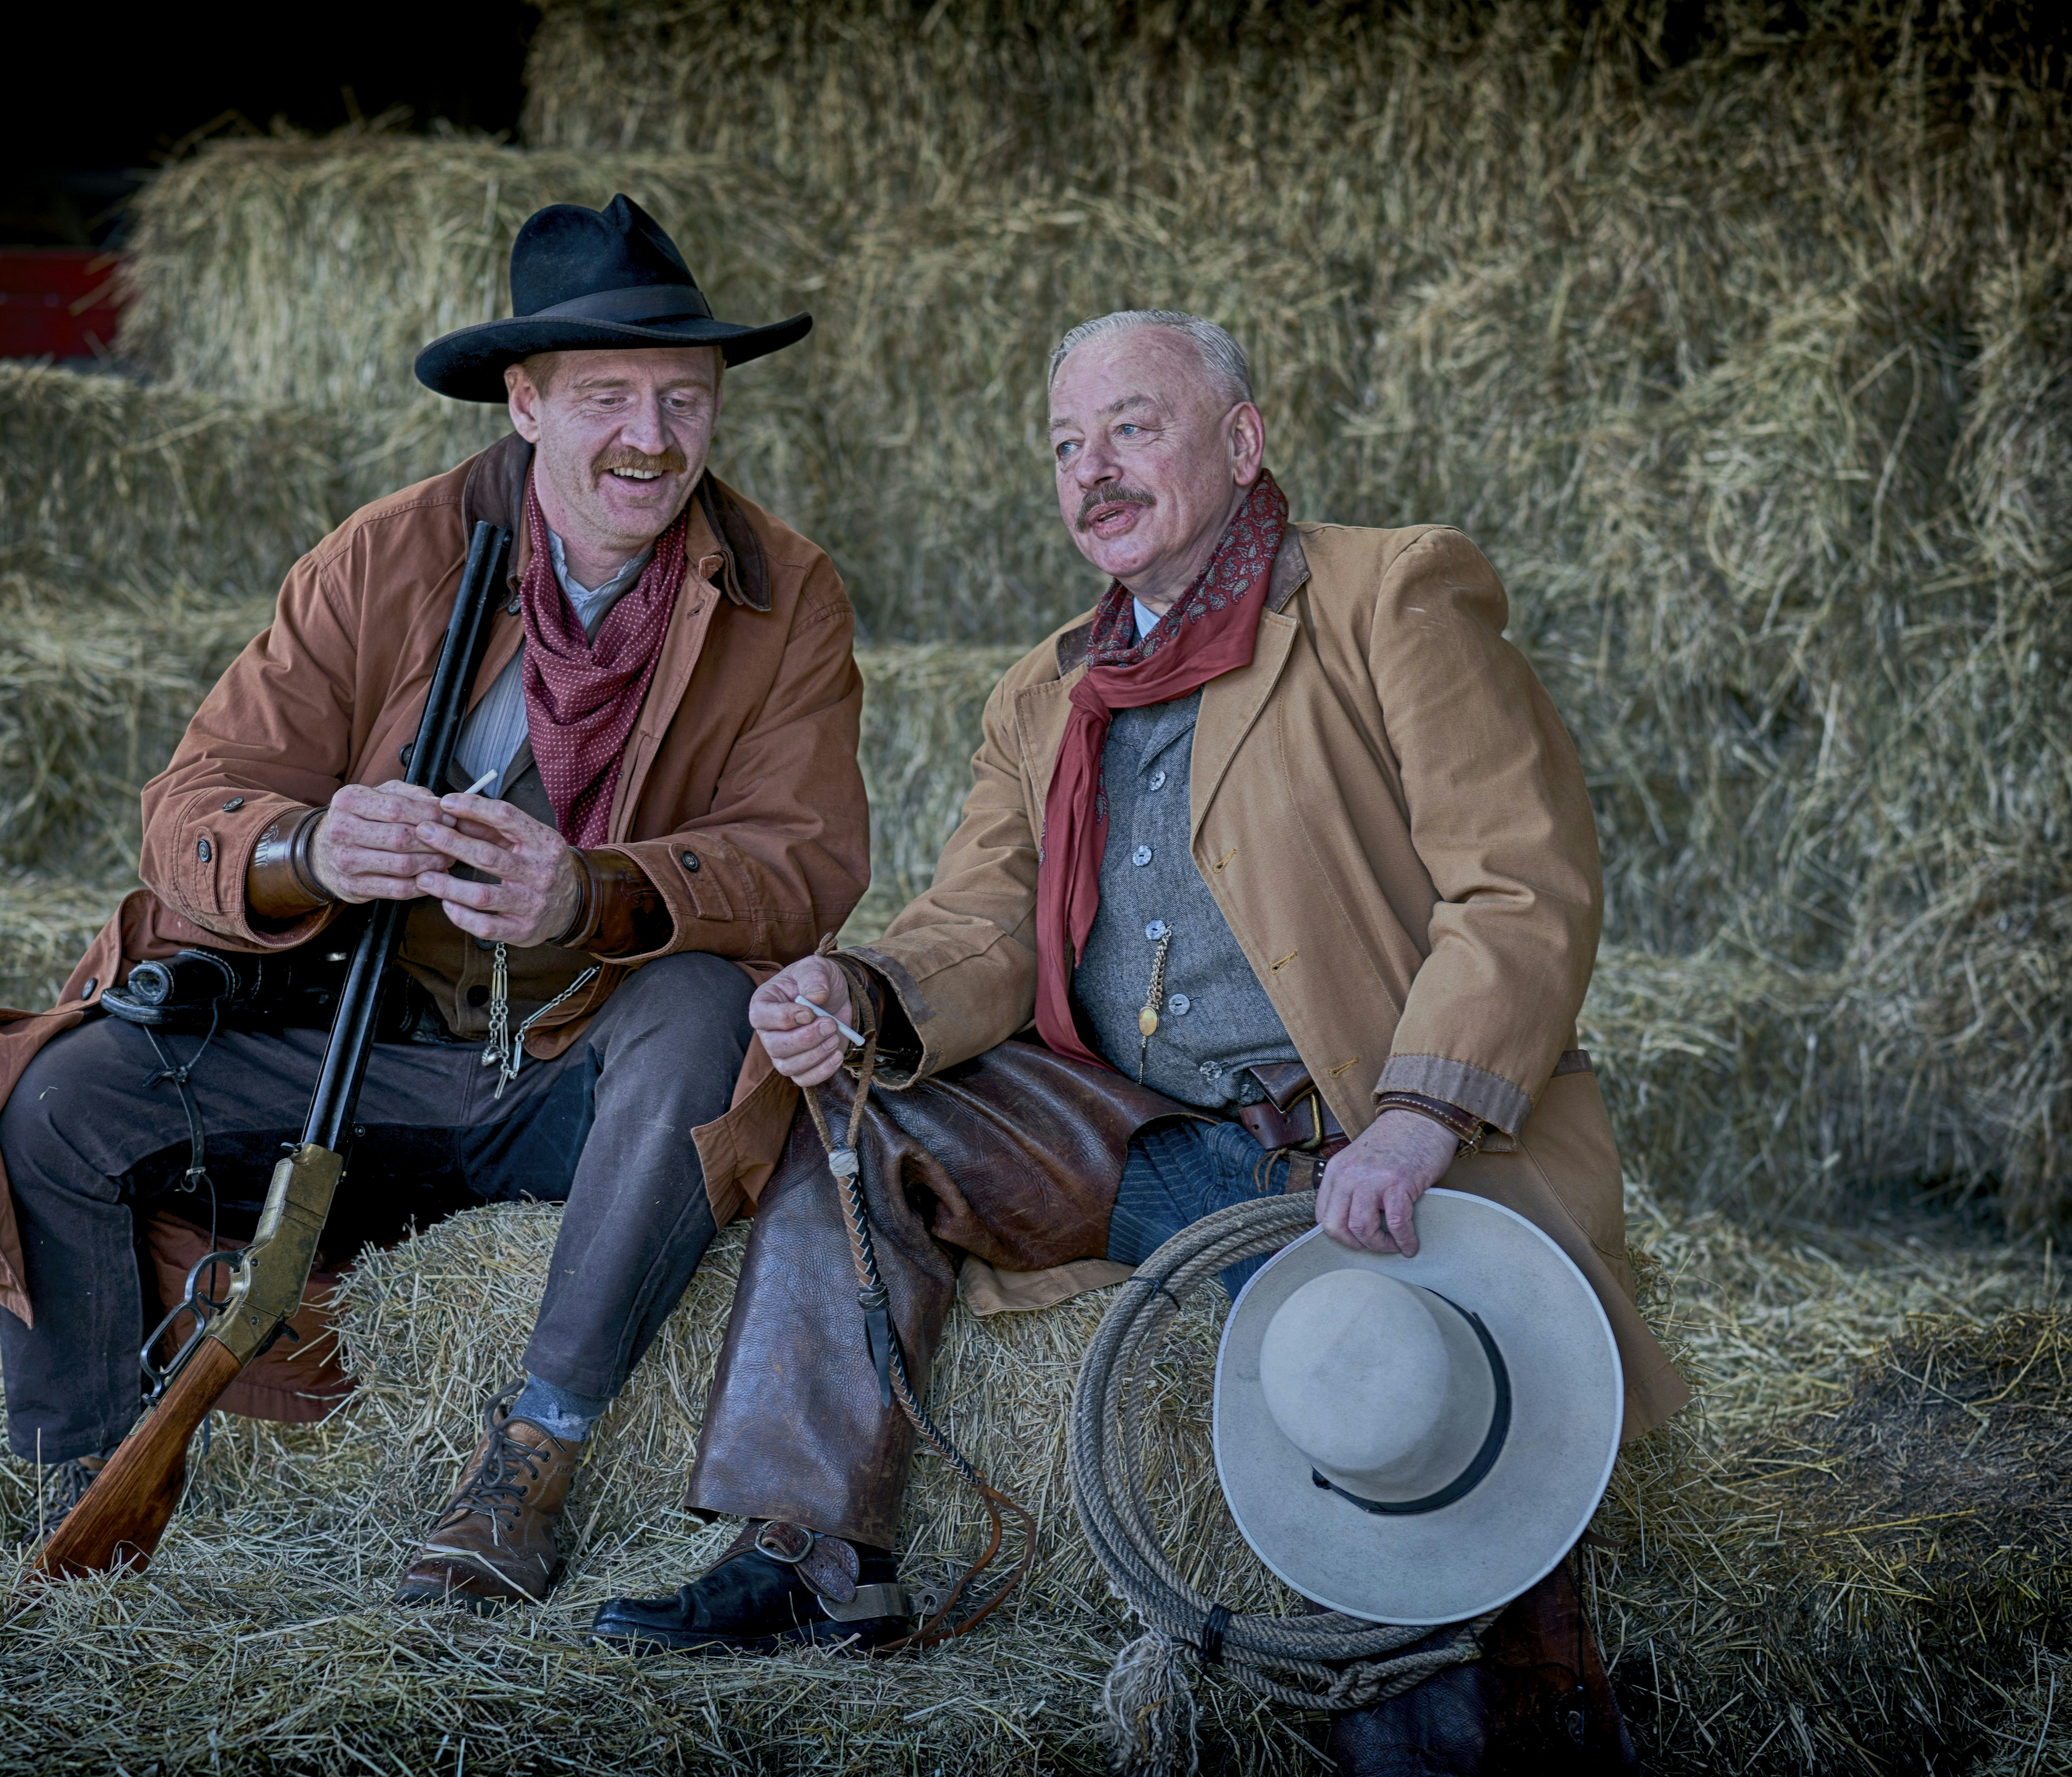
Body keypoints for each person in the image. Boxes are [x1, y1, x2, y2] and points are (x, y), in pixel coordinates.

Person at [589, 311, 1690, 1684]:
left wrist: (1420, 1115)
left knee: (1440, 1503)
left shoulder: (1387, 598)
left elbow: (1522, 885)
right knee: (861, 1118)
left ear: (1242, 441)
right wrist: (859, 987)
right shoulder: (1047, 690)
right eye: (1065, 444)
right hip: (1148, 1134)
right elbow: (986, 917)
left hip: (1360, 1147)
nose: (1091, 469)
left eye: (1130, 428)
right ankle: (816, 1559)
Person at [0, 196, 869, 1612]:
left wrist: (597, 891)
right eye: (607, 396)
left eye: (685, 399)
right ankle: (87, 1480)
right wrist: (314, 850)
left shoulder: (785, 590)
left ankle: (524, 1470)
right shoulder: (384, 555)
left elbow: (806, 860)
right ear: (523, 404)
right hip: (362, 1041)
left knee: (704, 1007)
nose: (652, 437)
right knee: (56, 1098)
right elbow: (192, 806)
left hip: (579, 1063)